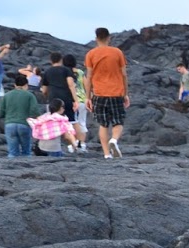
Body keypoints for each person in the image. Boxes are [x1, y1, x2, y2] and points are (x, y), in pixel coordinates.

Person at [84, 27, 128, 158]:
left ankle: (106, 154)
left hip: (99, 93)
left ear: (96, 38)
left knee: (103, 124)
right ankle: (114, 140)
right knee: (118, 122)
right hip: (116, 92)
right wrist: (126, 93)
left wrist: (88, 97)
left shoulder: (91, 54)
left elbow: (89, 77)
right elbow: (124, 74)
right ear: (109, 37)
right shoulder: (117, 52)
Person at [0, 75, 41, 157]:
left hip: (9, 125)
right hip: (24, 124)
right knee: (26, 152)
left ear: (15, 85)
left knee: (12, 153)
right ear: (26, 85)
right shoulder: (30, 95)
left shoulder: (6, 95)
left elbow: (0, 114)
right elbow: (34, 112)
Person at [40, 53, 75, 129]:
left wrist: (47, 97)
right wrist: (76, 100)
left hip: (53, 99)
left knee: (53, 122)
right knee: (71, 122)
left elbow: (44, 90)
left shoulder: (47, 72)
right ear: (61, 60)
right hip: (66, 98)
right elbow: (71, 85)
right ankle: (74, 140)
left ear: (51, 61)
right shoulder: (66, 70)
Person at [65, 54, 88, 148]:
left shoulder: (65, 73)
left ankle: (72, 145)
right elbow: (87, 86)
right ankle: (82, 145)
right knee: (82, 123)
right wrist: (88, 98)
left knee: (70, 124)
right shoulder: (80, 72)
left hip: (70, 101)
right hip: (82, 100)